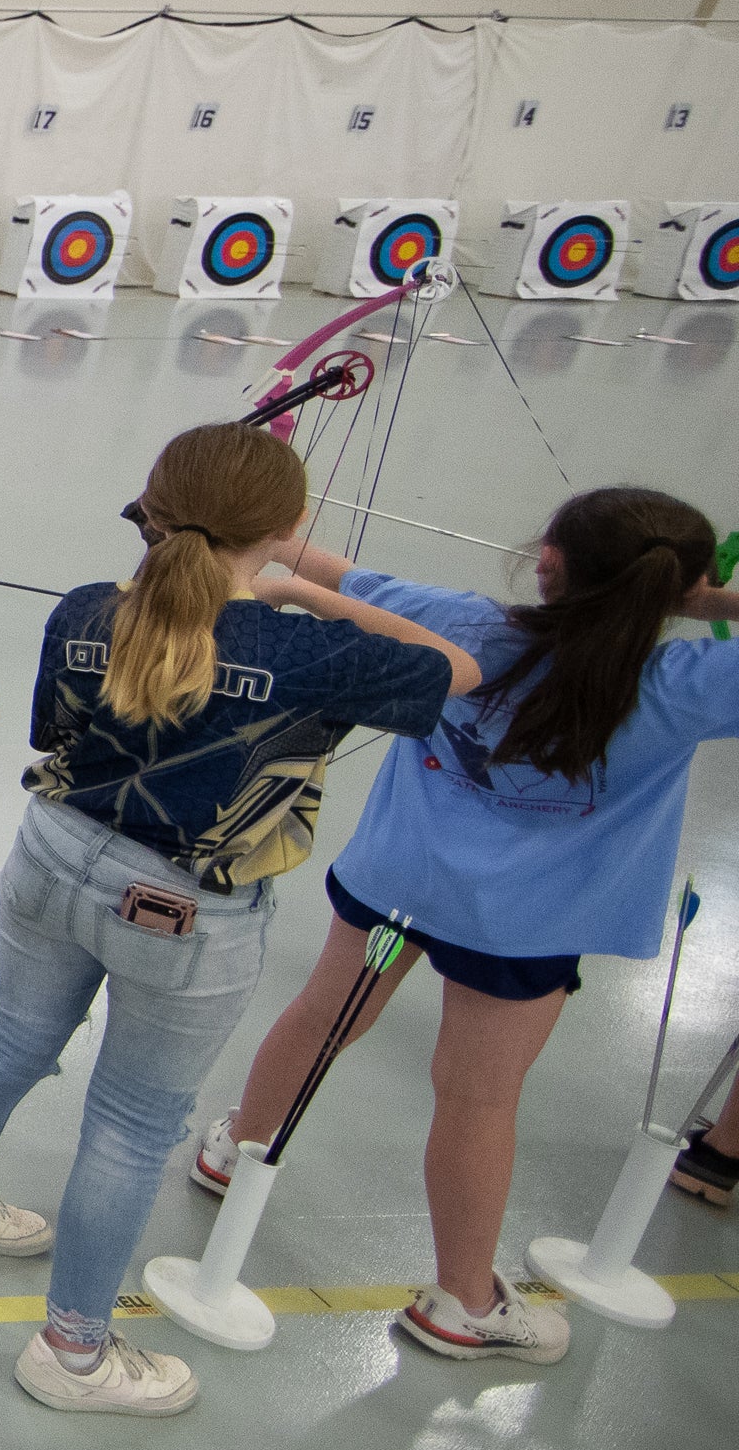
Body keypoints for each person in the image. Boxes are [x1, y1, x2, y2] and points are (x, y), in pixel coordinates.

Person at [0, 423, 475, 1414]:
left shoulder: (87, 610)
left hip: (51, 852)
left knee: (10, 1038)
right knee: (128, 1125)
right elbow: (459, 669)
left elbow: (55, 732)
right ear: (289, 526)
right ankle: (73, 1353)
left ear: (153, 510)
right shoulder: (311, 649)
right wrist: (303, 589)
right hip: (186, 910)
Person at [190, 488, 736, 1368]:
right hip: (517, 935)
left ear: (546, 563)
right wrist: (709, 602)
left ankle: (238, 1150)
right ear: (674, 590)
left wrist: (250, 536)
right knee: (479, 1096)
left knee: (327, 1016)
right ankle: (464, 1300)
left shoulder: (465, 625)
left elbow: (323, 567)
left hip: (394, 897)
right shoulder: (686, 687)